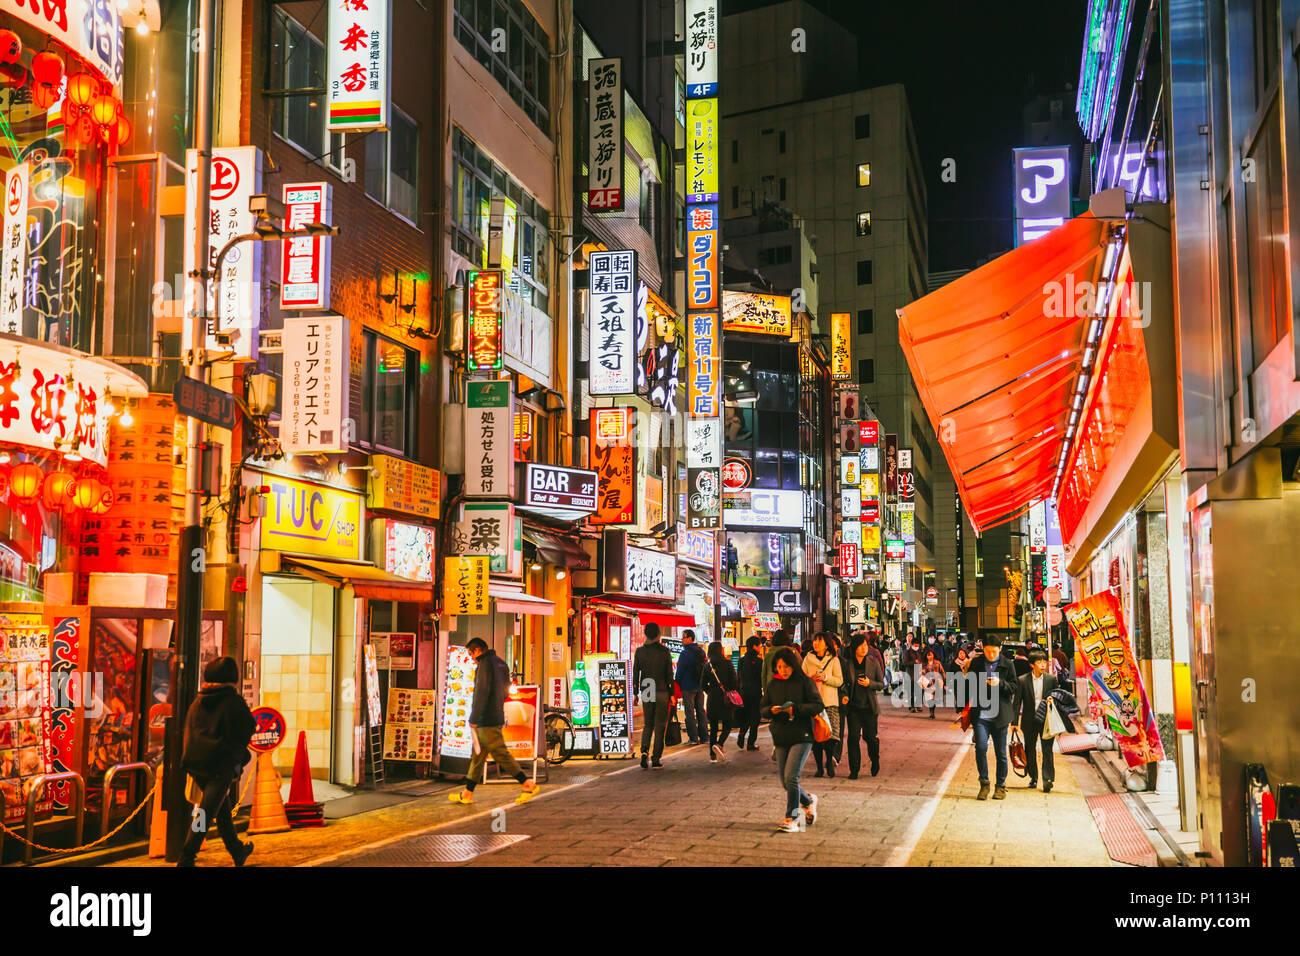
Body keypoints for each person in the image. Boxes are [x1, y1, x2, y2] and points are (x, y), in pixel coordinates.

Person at [178, 656, 256, 867]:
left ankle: (237, 850)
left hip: (196, 765)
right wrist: (238, 756)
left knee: (220, 810)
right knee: (204, 814)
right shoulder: (232, 702)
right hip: (220, 767)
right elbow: (247, 728)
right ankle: (187, 857)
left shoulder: (199, 700)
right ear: (233, 678)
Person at [449, 639, 541, 805]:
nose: (471, 658)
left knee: (500, 753)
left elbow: (481, 692)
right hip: (496, 714)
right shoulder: (501, 663)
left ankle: (527, 783)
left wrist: (474, 717)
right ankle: (468, 793)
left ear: (477, 650)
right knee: (478, 756)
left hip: (486, 719)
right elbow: (506, 689)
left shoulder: (484, 664)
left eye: (471, 653)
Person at [761, 647, 825, 832]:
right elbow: (763, 707)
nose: (783, 670)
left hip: (802, 734)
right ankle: (808, 800)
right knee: (785, 782)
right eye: (779, 666)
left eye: (787, 666)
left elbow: (817, 705)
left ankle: (792, 818)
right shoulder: (773, 684)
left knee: (791, 778)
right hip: (781, 735)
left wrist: (795, 709)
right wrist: (771, 711)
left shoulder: (805, 682)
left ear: (794, 666)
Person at [960, 634, 1020, 800]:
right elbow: (968, 685)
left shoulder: (1007, 664)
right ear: (983, 649)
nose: (991, 655)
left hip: (1000, 715)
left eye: (994, 651)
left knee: (1001, 753)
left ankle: (1000, 785)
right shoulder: (977, 663)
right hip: (981, 715)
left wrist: (999, 683)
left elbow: (1014, 686)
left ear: (1000, 649)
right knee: (981, 748)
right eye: (988, 651)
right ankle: (984, 783)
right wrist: (962, 709)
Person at [840, 633, 885, 778]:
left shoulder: (873, 664)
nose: (864, 648)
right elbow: (843, 685)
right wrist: (845, 696)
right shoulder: (848, 665)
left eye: (866, 645)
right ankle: (854, 770)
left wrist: (869, 683)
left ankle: (875, 759)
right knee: (853, 738)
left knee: (870, 737)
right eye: (861, 645)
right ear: (854, 648)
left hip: (869, 707)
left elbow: (881, 685)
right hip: (853, 708)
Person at [1014, 650, 1058, 791]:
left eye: (1044, 661)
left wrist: (1053, 700)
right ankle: (1033, 777)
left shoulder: (1051, 679)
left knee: (1047, 750)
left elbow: (1057, 697)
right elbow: (1017, 702)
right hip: (1029, 720)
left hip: (1046, 721)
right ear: (1032, 664)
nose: (1043, 664)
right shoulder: (1022, 680)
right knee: (1030, 749)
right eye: (1039, 662)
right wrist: (1014, 722)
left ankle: (1047, 779)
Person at [633, 622, 674, 769]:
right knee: (660, 726)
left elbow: (636, 672)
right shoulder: (664, 652)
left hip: (647, 688)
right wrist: (673, 693)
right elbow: (670, 674)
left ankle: (644, 752)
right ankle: (656, 759)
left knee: (648, 724)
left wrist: (635, 692)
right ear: (658, 635)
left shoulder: (639, 652)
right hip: (662, 689)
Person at [803, 633, 843, 777]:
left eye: (820, 640)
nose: (816, 643)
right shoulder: (808, 659)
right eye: (815, 640)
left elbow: (839, 681)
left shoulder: (834, 660)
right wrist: (811, 679)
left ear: (826, 644)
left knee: (831, 736)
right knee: (817, 737)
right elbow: (802, 679)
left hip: (830, 703)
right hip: (814, 704)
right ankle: (819, 767)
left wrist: (826, 677)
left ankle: (829, 762)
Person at [701, 641, 739, 762]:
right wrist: (731, 692)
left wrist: (710, 691)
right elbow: (734, 682)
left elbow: (702, 684)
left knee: (713, 727)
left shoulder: (707, 666)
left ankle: (712, 755)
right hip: (725, 698)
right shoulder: (728, 664)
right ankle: (719, 744)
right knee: (727, 725)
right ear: (720, 650)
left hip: (712, 698)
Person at [674, 630, 708, 745]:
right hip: (700, 686)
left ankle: (693, 738)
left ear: (689, 638)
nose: (682, 640)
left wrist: (678, 682)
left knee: (689, 713)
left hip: (688, 687)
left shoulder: (685, 653)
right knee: (701, 712)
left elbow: (679, 671)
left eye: (683, 637)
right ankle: (705, 737)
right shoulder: (701, 651)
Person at [734, 636, 763, 750]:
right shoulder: (759, 661)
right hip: (755, 693)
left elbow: (738, 677)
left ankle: (741, 734)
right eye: (759, 645)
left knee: (745, 716)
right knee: (755, 718)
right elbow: (761, 678)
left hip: (743, 692)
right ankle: (751, 743)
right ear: (755, 646)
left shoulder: (741, 660)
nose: (760, 648)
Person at [920, 648, 946, 719]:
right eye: (928, 655)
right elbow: (921, 672)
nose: (930, 657)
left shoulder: (938, 662)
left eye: (931, 655)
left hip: (937, 682)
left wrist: (944, 681)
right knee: (930, 698)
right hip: (928, 682)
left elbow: (942, 671)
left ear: (933, 655)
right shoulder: (924, 664)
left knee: (934, 698)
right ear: (926, 656)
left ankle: (932, 711)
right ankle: (931, 712)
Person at [902, 637, 924, 712]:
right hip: (910, 674)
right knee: (911, 692)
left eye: (918, 645)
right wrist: (914, 662)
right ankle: (911, 706)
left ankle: (918, 705)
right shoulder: (907, 652)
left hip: (919, 674)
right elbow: (905, 663)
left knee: (919, 691)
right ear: (912, 644)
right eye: (916, 645)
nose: (917, 646)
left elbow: (922, 661)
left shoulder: (919, 652)